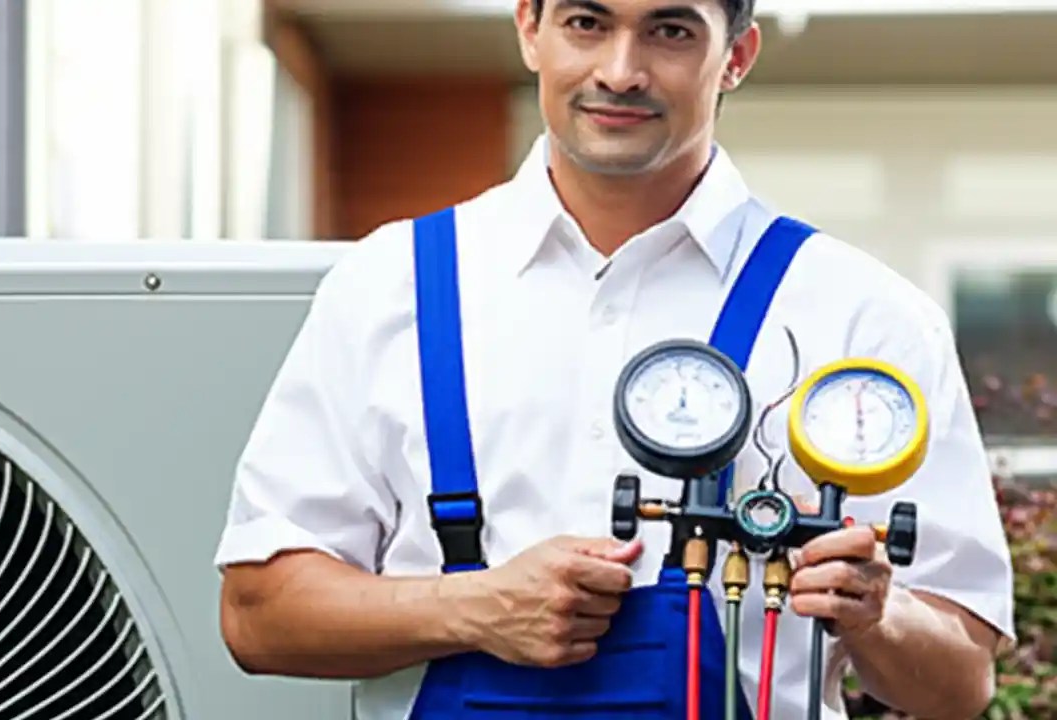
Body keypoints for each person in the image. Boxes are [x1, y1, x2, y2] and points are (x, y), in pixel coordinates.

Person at [213, 0, 1015, 718]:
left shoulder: (863, 313)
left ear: (736, 55)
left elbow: (959, 686)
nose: (620, 72)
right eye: (587, 22)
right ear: (530, 26)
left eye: (670, 30)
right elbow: (259, 615)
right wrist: (476, 608)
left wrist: (878, 614)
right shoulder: (389, 286)